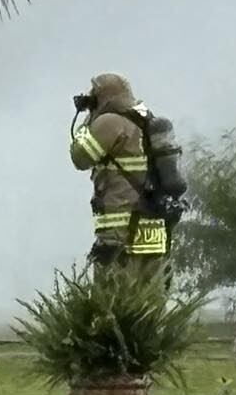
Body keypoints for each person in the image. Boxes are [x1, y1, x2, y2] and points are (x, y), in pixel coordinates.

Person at [68, 72, 171, 271]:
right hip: (153, 231)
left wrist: (89, 119)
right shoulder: (146, 119)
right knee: (149, 298)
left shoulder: (109, 122)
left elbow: (79, 158)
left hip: (120, 233)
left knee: (113, 297)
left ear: (103, 95)